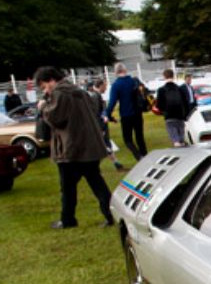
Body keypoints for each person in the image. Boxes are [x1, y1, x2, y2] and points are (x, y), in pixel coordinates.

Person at [35, 66, 113, 229]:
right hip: (89, 145)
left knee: (68, 187)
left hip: (72, 148)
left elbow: (56, 118)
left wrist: (43, 107)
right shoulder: (79, 91)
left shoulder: (61, 94)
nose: (45, 90)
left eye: (44, 86)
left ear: (51, 80)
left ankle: (68, 219)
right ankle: (110, 214)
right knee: (97, 183)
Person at [106, 63, 147, 161]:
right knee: (140, 137)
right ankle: (145, 155)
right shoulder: (134, 81)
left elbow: (112, 102)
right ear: (125, 70)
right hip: (138, 112)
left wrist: (108, 115)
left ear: (116, 72)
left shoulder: (116, 85)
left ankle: (138, 157)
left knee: (128, 139)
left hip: (126, 114)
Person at [155, 69, 189, 146]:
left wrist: (163, 112)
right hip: (180, 116)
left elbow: (159, 105)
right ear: (173, 76)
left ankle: (177, 145)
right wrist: (185, 115)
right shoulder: (180, 89)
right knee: (181, 137)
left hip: (169, 116)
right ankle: (182, 146)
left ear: (164, 76)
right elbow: (186, 103)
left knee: (174, 138)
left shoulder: (161, 90)